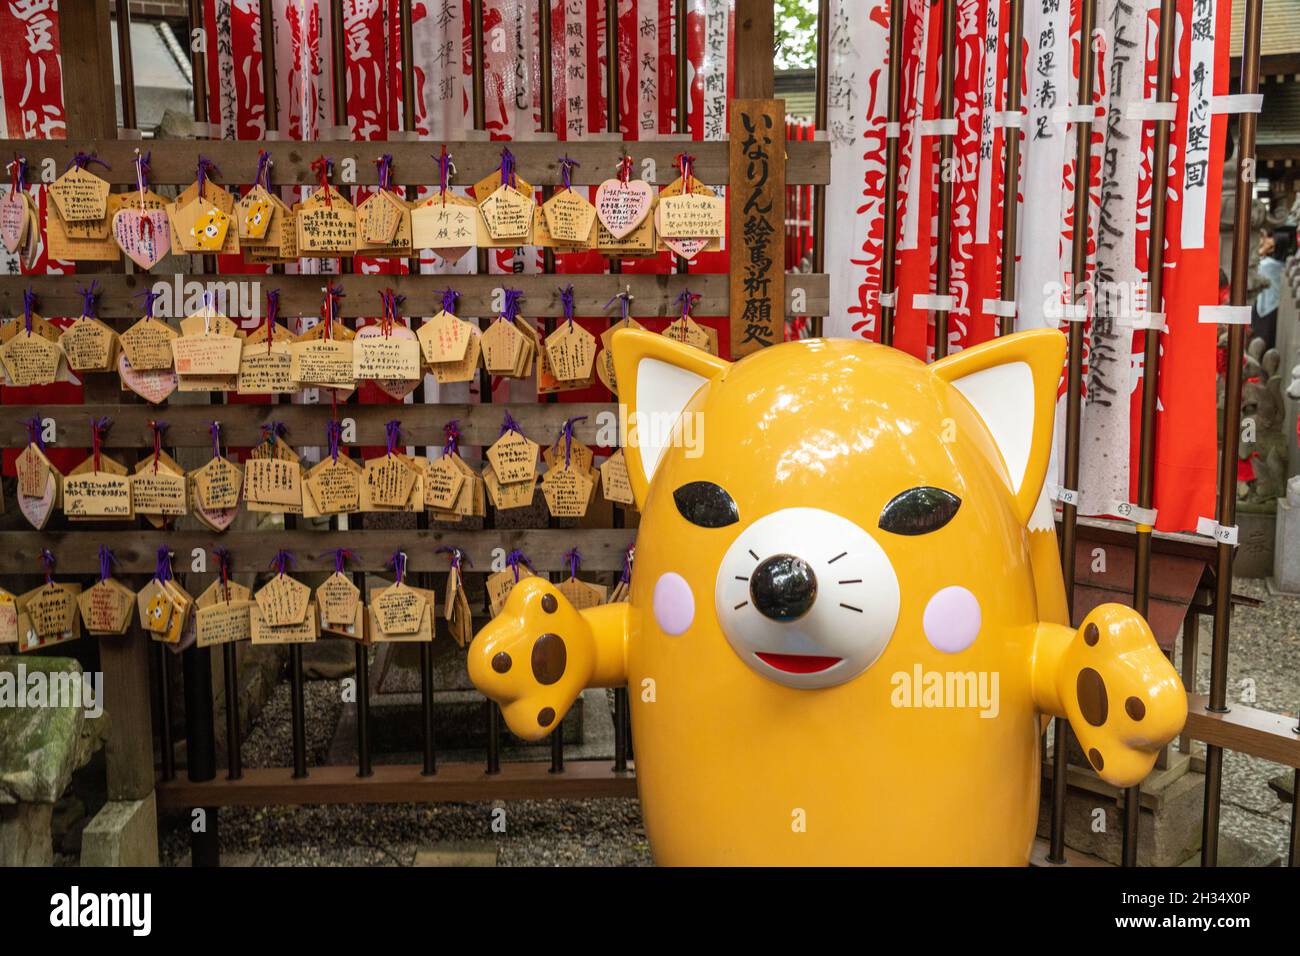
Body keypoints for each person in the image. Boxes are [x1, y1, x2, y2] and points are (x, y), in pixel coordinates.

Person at [1253, 228, 1292, 349]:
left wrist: (1263, 250)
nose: (1267, 241)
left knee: (1259, 341)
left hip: (1264, 307)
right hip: (1274, 307)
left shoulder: (1267, 265)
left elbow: (1255, 259)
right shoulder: (1281, 265)